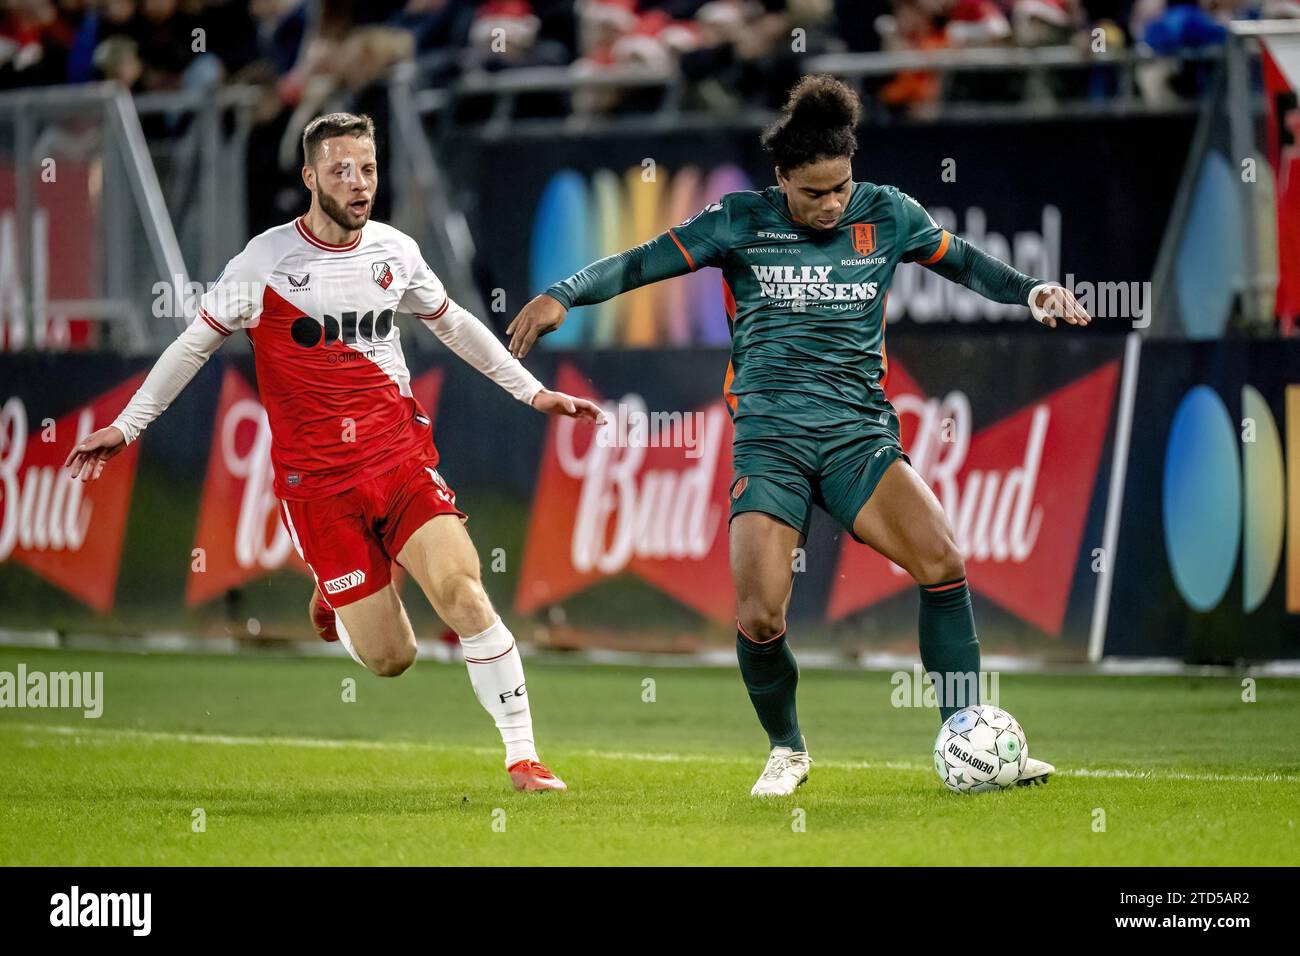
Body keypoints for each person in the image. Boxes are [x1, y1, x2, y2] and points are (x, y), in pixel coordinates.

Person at [507, 76, 1090, 796]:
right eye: (814, 193)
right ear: (781, 178)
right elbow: (638, 262)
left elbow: (964, 262)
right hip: (770, 444)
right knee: (759, 612)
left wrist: (1031, 291)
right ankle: (787, 749)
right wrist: (563, 292)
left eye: (841, 187)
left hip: (859, 441)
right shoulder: (737, 222)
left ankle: (971, 741)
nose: (832, 204)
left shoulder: (888, 214)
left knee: (941, 560)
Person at [66, 112, 603, 793]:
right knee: (392, 657)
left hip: (401, 462)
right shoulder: (262, 263)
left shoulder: (395, 252)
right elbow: (193, 345)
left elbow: (457, 325)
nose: (358, 184)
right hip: (317, 486)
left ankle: (523, 757)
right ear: (310, 176)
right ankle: (335, 593)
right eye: (342, 170)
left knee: (463, 592)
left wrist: (533, 394)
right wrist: (127, 425)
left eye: (369, 170)